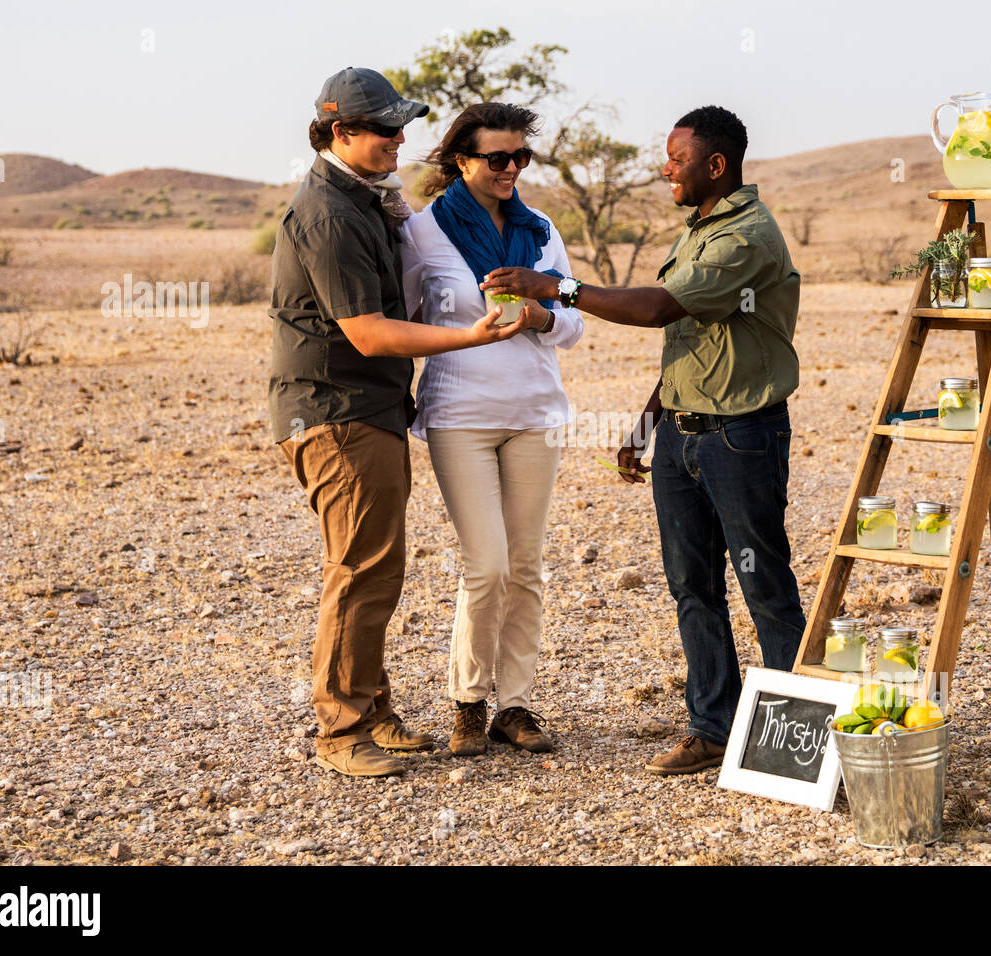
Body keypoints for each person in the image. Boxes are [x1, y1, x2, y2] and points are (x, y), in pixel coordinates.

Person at [483, 105, 806, 775]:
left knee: (764, 586)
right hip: (683, 437)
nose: (666, 168)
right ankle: (712, 726)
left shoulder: (746, 237)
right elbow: (692, 341)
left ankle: (794, 741)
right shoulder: (700, 231)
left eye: (677, 159)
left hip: (742, 438)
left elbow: (659, 308)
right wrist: (646, 425)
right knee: (692, 587)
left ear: (715, 166)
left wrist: (557, 287)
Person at [268, 67, 527, 778]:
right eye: (384, 129)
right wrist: (468, 338)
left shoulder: (363, 201)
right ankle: (342, 729)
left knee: (378, 562)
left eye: (400, 127)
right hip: (336, 409)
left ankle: (373, 712)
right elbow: (370, 334)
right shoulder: (327, 214)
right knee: (359, 566)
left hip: (368, 409)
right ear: (340, 131)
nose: (398, 139)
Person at [399, 103, 584, 757]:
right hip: (460, 416)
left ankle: (517, 705)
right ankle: (468, 704)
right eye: (497, 158)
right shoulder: (422, 235)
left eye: (520, 158)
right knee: (488, 564)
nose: (511, 169)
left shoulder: (540, 232)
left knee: (527, 565)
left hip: (536, 414)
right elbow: (401, 320)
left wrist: (540, 315)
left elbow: (574, 322)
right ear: (461, 160)